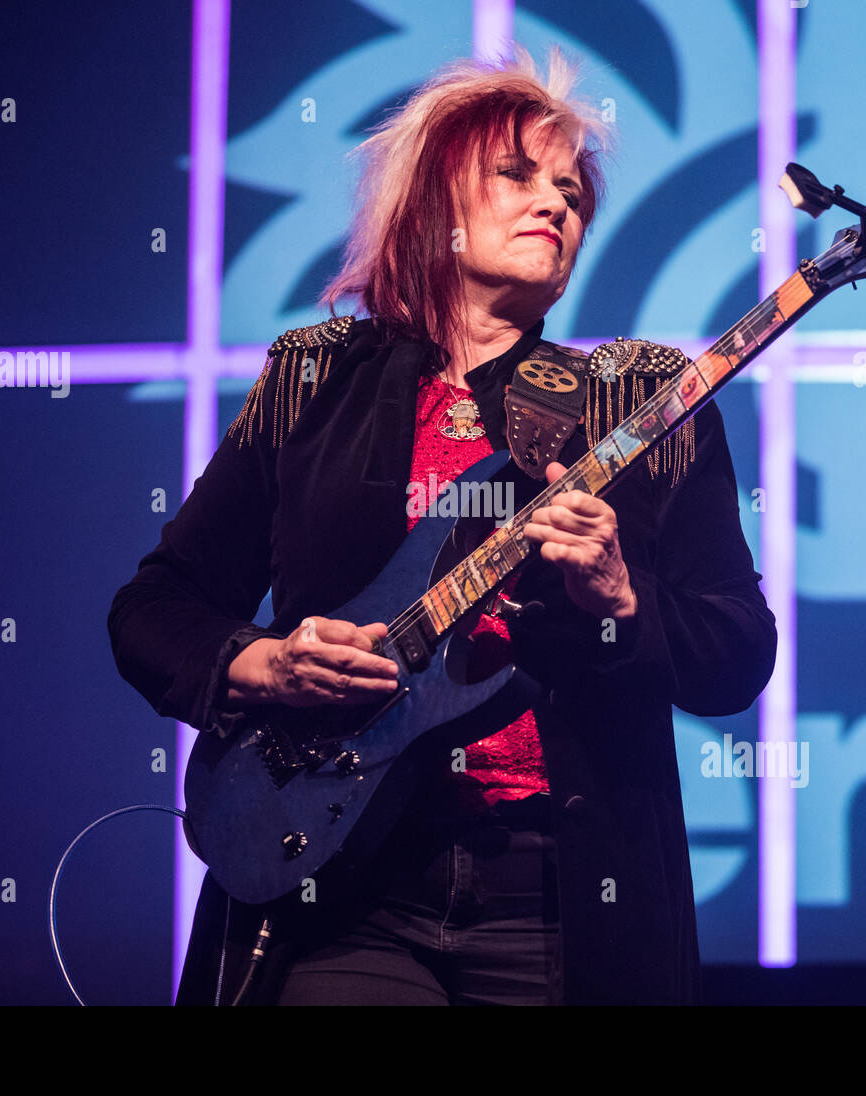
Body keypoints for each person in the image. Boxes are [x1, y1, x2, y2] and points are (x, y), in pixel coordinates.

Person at [107, 45, 776, 1006]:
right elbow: (155, 606)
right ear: (432, 202)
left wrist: (623, 599)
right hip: (341, 886)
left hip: (558, 898)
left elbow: (737, 653)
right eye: (517, 174)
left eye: (573, 192)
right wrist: (266, 662)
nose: (557, 203)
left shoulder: (644, 402)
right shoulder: (313, 379)